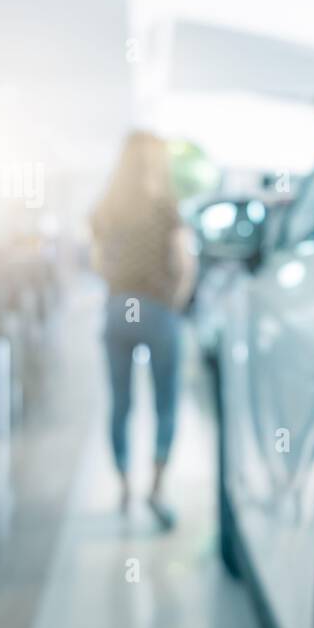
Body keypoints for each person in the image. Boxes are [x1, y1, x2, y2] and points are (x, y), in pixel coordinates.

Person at [89, 131, 197, 528]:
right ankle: (156, 489)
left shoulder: (105, 208)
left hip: (119, 309)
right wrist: (174, 302)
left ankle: (122, 485)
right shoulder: (166, 207)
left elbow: (97, 262)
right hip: (157, 310)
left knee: (120, 404)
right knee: (165, 403)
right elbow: (184, 263)